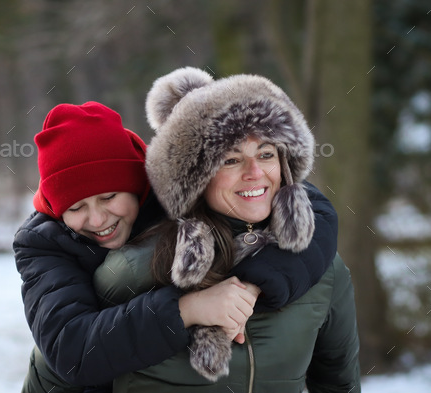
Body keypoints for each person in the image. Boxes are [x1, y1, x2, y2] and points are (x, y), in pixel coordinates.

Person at [14, 100, 339, 392]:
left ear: (138, 186)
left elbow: (309, 208)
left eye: (109, 197)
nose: (97, 219)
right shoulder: (44, 243)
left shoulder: (174, 195)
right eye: (75, 208)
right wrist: (187, 308)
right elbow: (71, 352)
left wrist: (253, 285)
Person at [92, 67, 360, 391]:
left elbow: (339, 384)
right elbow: (66, 369)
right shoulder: (131, 269)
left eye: (266, 154)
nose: (255, 172)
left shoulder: (324, 268)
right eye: (231, 160)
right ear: (195, 179)